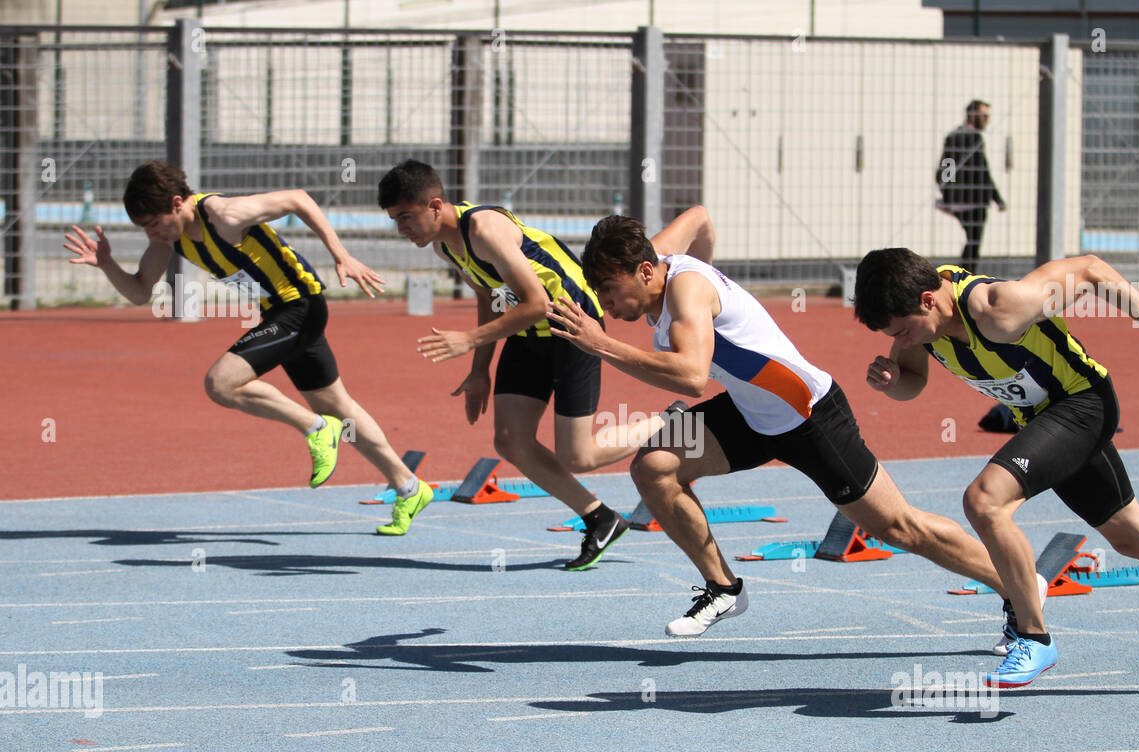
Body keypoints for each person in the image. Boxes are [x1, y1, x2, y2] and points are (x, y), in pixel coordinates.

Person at [548, 212, 1017, 638]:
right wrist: (708, 280)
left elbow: (691, 377)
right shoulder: (660, 257)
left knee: (900, 528)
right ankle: (724, 589)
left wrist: (602, 344)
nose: (607, 305)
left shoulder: (685, 289)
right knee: (654, 468)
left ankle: (1016, 587)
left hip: (808, 414)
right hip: (750, 414)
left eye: (610, 291)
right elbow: (702, 218)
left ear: (646, 271)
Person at [853, 249, 1139, 690]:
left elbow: (1090, 269)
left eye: (901, 332)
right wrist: (892, 383)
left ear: (928, 300)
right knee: (1133, 536)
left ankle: (1033, 637)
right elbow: (913, 382)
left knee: (985, 501)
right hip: (1044, 422)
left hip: (1083, 404)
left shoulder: (998, 307)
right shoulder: (922, 326)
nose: (901, 342)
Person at [63, 160, 432, 535]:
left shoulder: (225, 215)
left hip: (299, 307)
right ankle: (409, 487)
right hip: (278, 314)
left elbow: (298, 199)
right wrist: (107, 264)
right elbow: (141, 291)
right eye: (143, 228)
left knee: (221, 382)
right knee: (340, 407)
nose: (150, 233)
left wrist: (342, 256)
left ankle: (317, 428)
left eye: (152, 223)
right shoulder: (169, 238)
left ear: (176, 203)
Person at [378, 159, 674, 570]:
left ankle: (670, 424)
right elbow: (490, 297)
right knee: (510, 440)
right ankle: (600, 518)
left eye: (405, 217)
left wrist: (469, 339)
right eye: (395, 220)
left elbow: (536, 302)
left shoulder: (484, 230)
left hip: (572, 325)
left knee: (579, 456)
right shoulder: (445, 245)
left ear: (435, 206)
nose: (401, 229)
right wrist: (479, 370)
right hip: (527, 331)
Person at [936, 100, 1005, 274]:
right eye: (984, 116)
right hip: (974, 200)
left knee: (972, 240)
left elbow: (946, 166)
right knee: (974, 241)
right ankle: (964, 275)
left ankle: (962, 274)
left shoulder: (954, 136)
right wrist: (997, 198)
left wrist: (948, 194)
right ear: (973, 115)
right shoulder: (974, 138)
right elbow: (983, 172)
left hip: (960, 199)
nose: (987, 120)